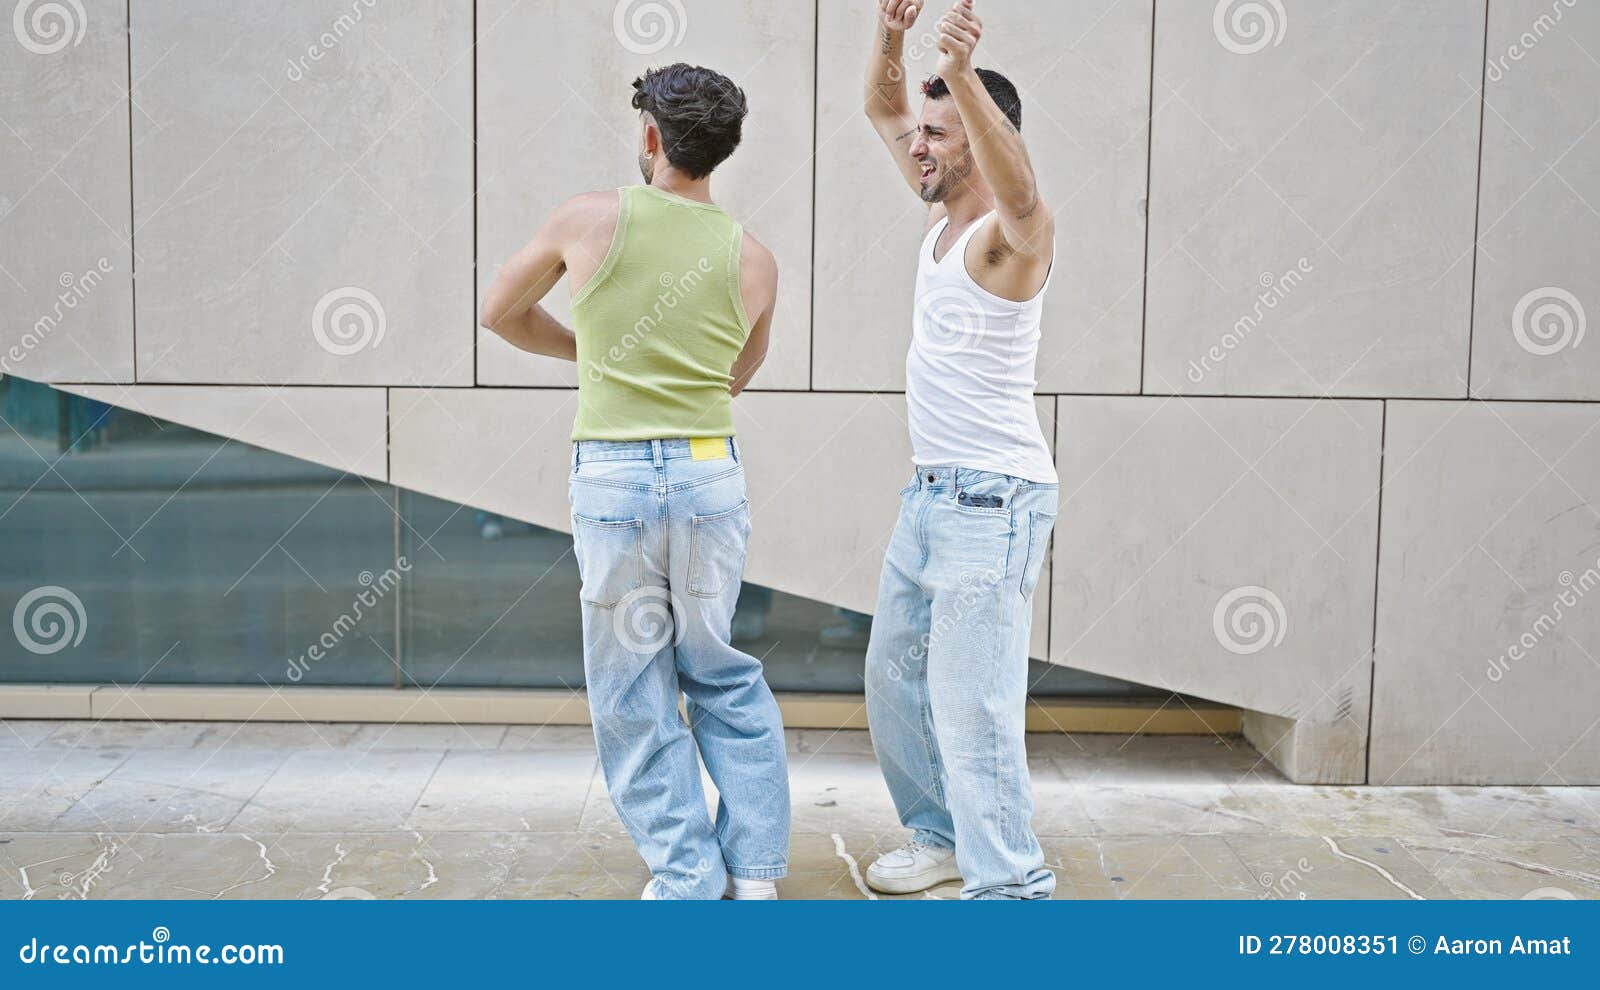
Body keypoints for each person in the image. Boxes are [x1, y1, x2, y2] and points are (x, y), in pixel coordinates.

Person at [480, 63, 789, 900]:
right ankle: (755, 872)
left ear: (651, 137)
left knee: (633, 685)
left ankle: (687, 876)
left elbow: (499, 312)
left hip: (615, 480)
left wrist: (596, 350)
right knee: (720, 671)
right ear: (722, 149)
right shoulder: (754, 259)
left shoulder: (590, 220)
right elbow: (731, 378)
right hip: (706, 473)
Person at [860, 0, 1060, 899]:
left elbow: (1025, 199)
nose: (918, 145)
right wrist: (894, 40)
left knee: (971, 708)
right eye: (922, 133)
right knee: (894, 679)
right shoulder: (940, 218)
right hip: (931, 496)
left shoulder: (1005, 244)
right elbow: (880, 105)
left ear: (981, 136)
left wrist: (968, 77)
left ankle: (1011, 887)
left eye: (939, 134)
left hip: (996, 498)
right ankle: (940, 839)